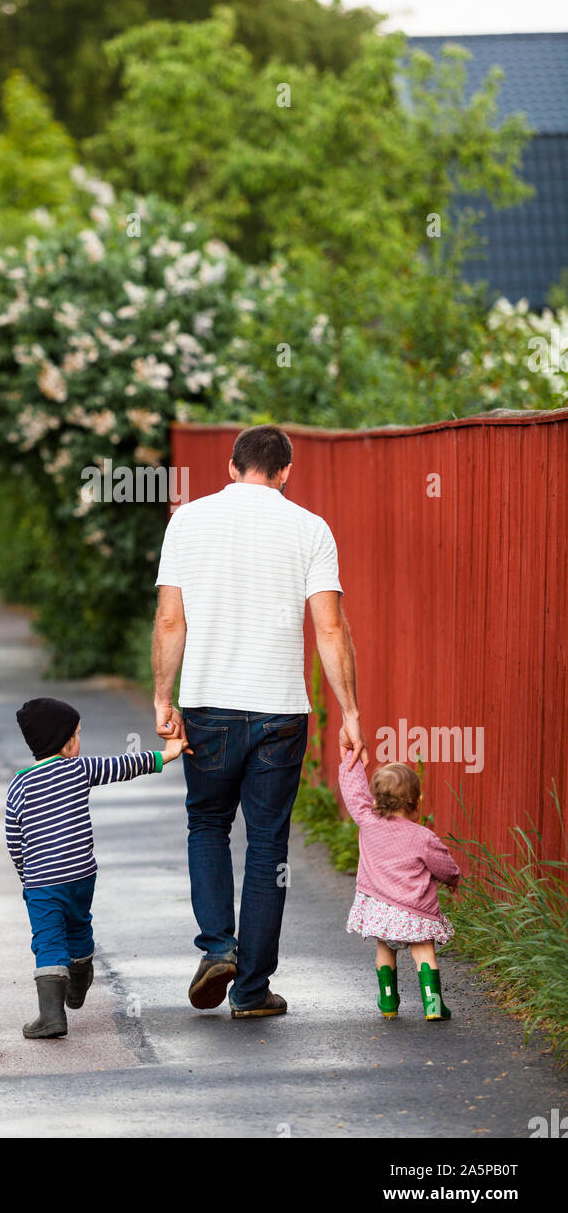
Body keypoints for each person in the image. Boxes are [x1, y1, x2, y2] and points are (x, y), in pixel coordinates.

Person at [152, 423, 368, 1018]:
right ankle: (251, 990)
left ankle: (218, 945)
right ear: (285, 473)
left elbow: (170, 620)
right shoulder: (310, 529)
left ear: (231, 467)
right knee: (269, 844)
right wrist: (350, 711)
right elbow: (330, 628)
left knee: (208, 826)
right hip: (280, 711)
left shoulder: (187, 521)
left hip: (208, 707)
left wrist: (162, 697)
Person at [6, 696, 185, 1039]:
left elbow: (14, 836)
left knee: (48, 940)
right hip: (82, 875)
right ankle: (81, 973)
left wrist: (24, 875)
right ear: (67, 741)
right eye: (77, 733)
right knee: (78, 925)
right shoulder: (80, 769)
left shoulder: (21, 785)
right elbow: (124, 765)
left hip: (42, 882)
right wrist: (168, 754)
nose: (79, 740)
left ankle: (51, 1016)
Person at [339, 751, 460, 1019]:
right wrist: (453, 879)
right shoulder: (423, 837)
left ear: (375, 801)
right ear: (417, 802)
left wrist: (351, 758)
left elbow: (353, 791)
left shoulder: (367, 822)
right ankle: (433, 1004)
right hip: (415, 911)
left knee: (385, 949)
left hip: (379, 910)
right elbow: (443, 865)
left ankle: (389, 1002)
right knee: (423, 950)